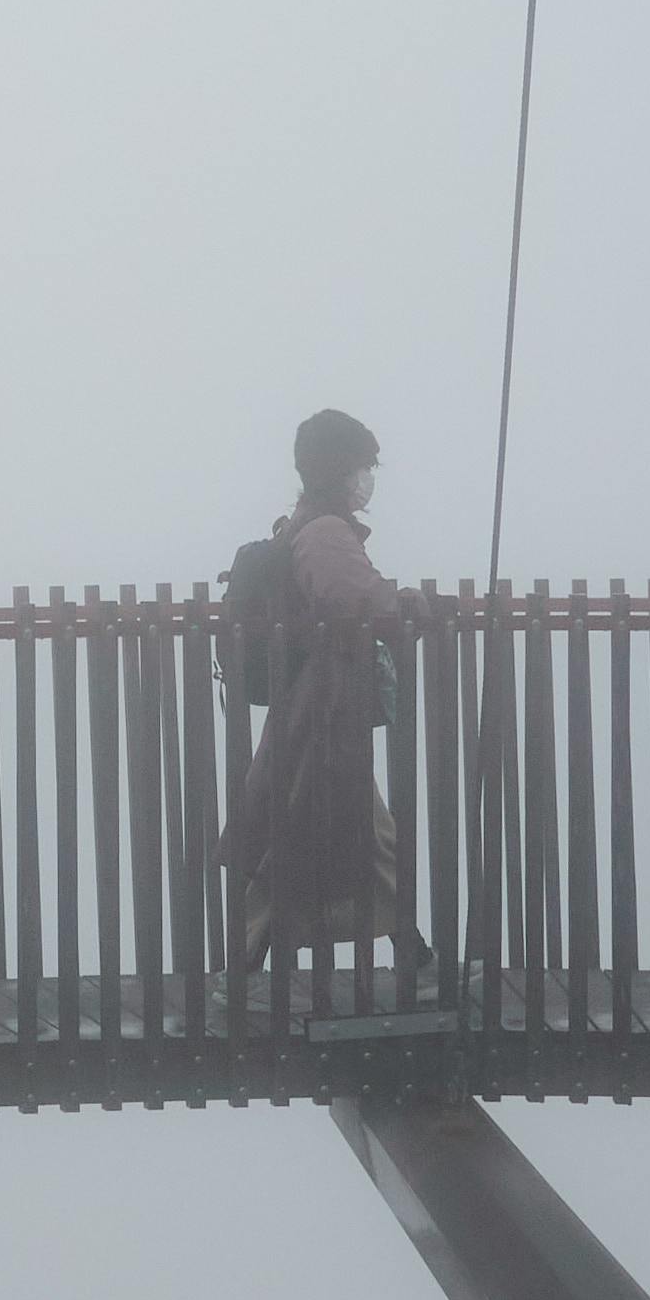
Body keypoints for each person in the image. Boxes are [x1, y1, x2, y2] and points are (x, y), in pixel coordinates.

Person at [230, 406, 435, 988]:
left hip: (318, 708)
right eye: (364, 465)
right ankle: (238, 973)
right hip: (323, 708)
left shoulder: (302, 524)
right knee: (298, 835)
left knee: (369, 834)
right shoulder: (324, 532)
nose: (368, 477)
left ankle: (415, 957)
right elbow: (352, 601)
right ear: (340, 468)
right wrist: (406, 603)